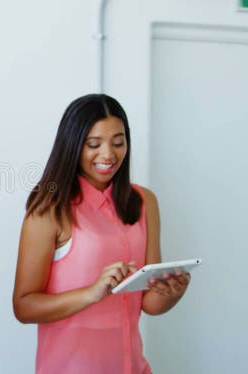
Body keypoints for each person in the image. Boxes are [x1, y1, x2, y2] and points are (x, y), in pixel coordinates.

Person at [12, 94, 191, 373]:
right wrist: (92, 293)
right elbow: (24, 307)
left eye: (118, 142)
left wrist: (172, 291)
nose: (108, 154)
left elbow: (149, 303)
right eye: (94, 144)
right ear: (72, 145)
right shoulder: (49, 209)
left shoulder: (145, 203)